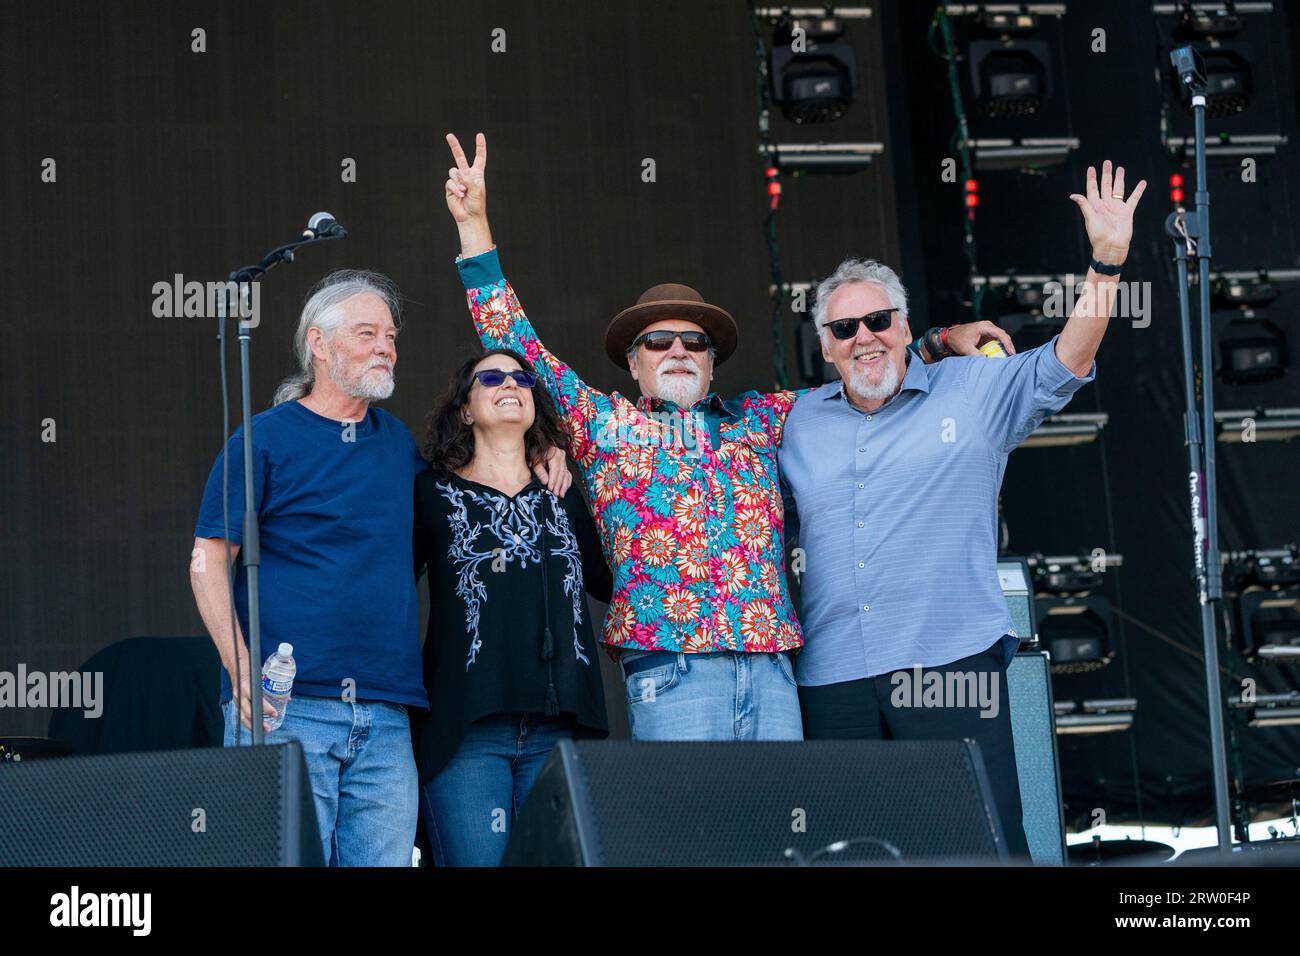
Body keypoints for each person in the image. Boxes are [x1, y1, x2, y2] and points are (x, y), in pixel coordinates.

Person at [440, 132, 1012, 741]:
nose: (678, 350)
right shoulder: (603, 424)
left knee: (782, 835)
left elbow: (863, 364)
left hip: (774, 672)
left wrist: (936, 338)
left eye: (695, 343)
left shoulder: (767, 419)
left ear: (713, 363)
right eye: (658, 343)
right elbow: (512, 334)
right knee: (696, 834)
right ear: (634, 365)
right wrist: (475, 225)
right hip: (674, 672)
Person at [779, 161, 1146, 857]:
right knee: (847, 854)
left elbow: (1064, 362)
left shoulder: (972, 388)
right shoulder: (795, 422)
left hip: (948, 664)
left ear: (904, 321)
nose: (865, 337)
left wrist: (1105, 264)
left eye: (879, 320)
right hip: (831, 679)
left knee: (977, 846)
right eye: (845, 327)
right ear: (824, 345)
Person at [189, 270, 568, 866]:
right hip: (288, 705)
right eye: (367, 334)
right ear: (319, 343)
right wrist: (238, 667)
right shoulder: (264, 439)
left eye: (390, 336)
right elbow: (209, 556)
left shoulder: (397, 447)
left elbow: (470, 497)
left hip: (388, 713)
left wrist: (540, 448)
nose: (385, 347)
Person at [413, 348, 611, 866]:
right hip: (467, 730)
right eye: (492, 377)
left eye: (522, 377)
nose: (510, 383)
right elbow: (385, 587)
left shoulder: (562, 489)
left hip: (559, 727)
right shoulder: (431, 491)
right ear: (464, 408)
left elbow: (612, 581)